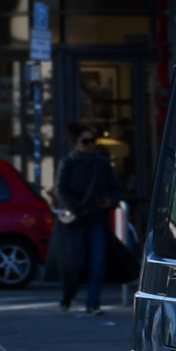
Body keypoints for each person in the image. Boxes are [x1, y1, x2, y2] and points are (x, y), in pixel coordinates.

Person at [54, 125, 124, 315]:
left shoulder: (102, 163)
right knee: (75, 263)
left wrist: (109, 201)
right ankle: (68, 296)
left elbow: (117, 189)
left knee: (98, 262)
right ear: (77, 144)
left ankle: (93, 303)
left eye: (93, 141)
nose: (90, 145)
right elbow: (60, 191)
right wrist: (79, 208)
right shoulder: (68, 163)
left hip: (97, 219)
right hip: (76, 221)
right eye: (86, 142)